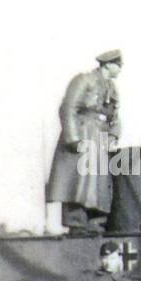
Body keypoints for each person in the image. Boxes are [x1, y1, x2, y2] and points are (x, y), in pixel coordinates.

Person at [47, 50, 122, 234]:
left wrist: (113, 135)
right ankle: (77, 223)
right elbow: (68, 108)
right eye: (118, 65)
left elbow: (115, 116)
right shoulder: (83, 80)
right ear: (107, 64)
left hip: (100, 139)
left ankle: (95, 223)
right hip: (84, 134)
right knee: (79, 184)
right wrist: (73, 139)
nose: (120, 69)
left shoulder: (112, 88)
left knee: (99, 185)